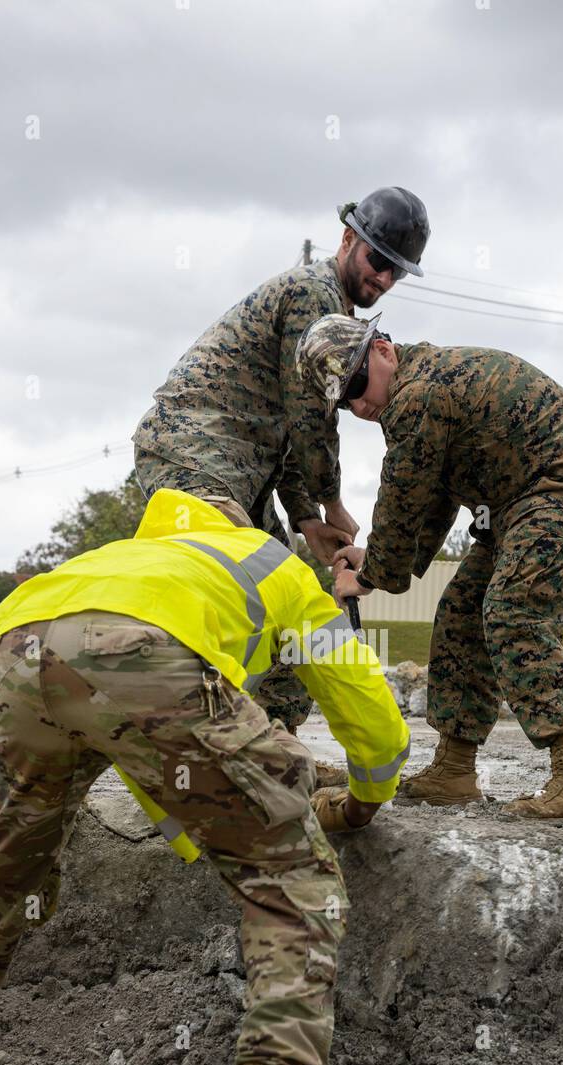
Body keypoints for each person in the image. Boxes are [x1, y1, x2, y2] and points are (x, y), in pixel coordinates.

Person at [0, 490, 410, 1065]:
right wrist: (367, 795)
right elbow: (361, 702)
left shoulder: (113, 558)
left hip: (22, 639)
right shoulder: (273, 563)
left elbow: (140, 751)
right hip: (146, 653)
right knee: (294, 880)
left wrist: (199, 822)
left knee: (8, 869)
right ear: (239, 522)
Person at [295, 314, 563, 823]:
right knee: (461, 612)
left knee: (513, 610)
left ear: (384, 350)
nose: (360, 405)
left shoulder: (420, 393)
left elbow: (402, 496)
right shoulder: (418, 392)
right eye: (345, 402)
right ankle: (454, 770)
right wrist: (379, 560)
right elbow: (431, 505)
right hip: (521, 507)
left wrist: (366, 578)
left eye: (357, 384)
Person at [132, 187, 430, 736]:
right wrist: (333, 503)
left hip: (245, 471)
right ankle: (172, 734)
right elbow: (311, 418)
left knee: (299, 600)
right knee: (225, 592)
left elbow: (292, 431)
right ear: (348, 240)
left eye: (398, 272)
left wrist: (307, 519)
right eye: (378, 261)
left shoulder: (337, 311)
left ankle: (270, 746)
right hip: (193, 451)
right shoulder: (314, 294)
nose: (385, 279)